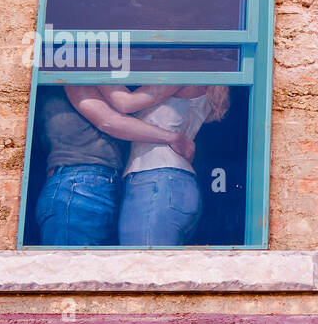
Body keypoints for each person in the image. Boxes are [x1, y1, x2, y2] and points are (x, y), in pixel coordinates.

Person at [33, 84, 191, 246]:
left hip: (95, 182)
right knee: (72, 260)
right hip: (78, 183)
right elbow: (109, 121)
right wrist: (172, 138)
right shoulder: (74, 75)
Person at [95, 84, 230, 247]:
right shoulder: (202, 84)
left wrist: (93, 73)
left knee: (144, 259)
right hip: (173, 180)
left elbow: (124, 102)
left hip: (156, 180)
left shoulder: (178, 76)